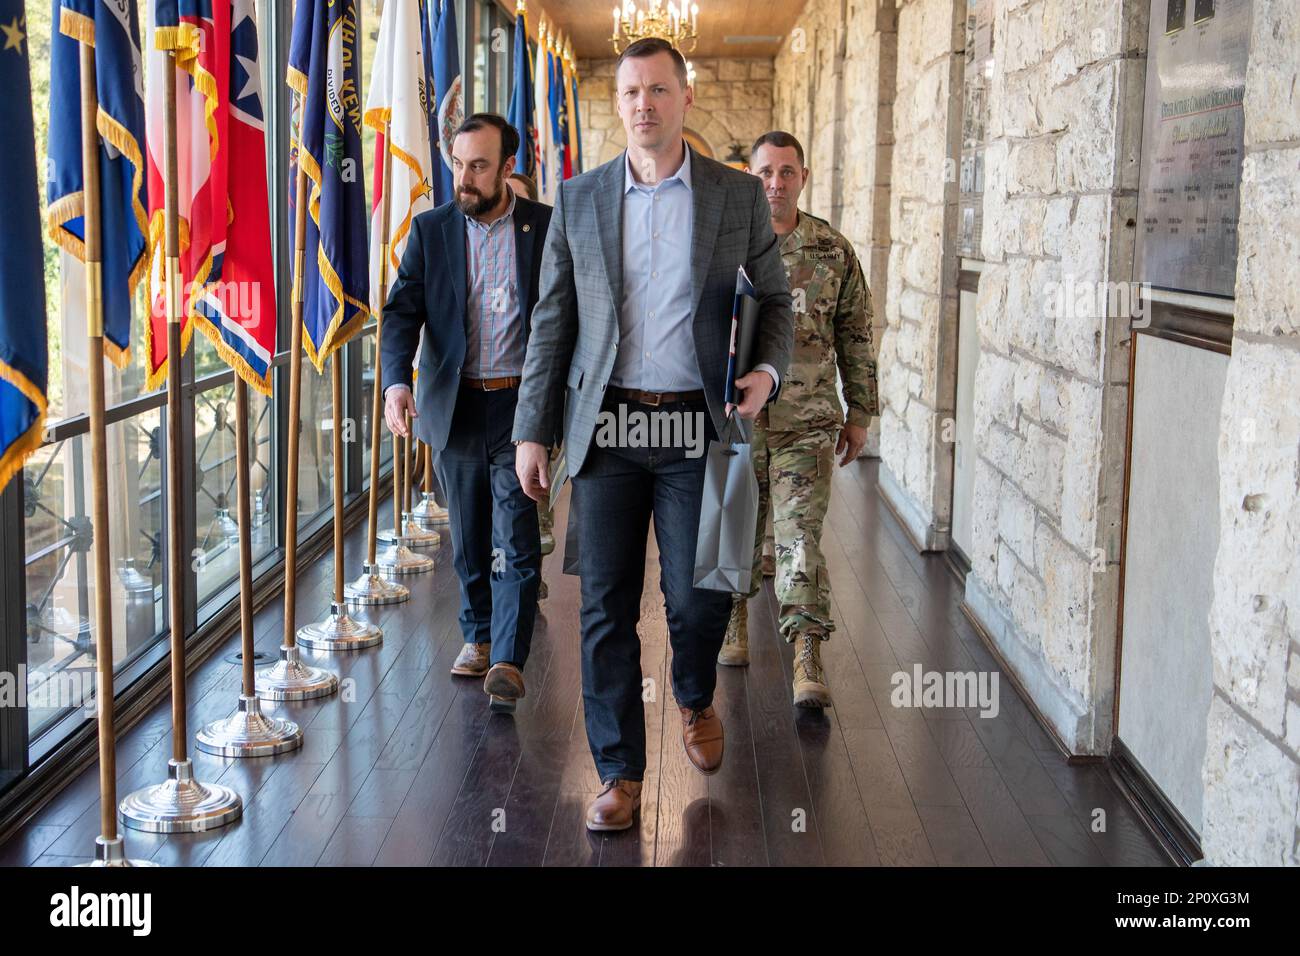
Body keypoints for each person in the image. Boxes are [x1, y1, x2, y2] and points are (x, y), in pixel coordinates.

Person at [512, 37, 794, 831]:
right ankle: (619, 772)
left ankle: (695, 692)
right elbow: (551, 321)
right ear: (619, 103)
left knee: (701, 594)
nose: (644, 104)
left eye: (659, 90)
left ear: (685, 98)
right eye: (631, 92)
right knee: (602, 604)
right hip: (605, 425)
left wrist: (767, 376)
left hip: (698, 424)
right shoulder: (580, 198)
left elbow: (774, 300)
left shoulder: (736, 198)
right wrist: (534, 428)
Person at [381, 113, 553, 714]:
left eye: (478, 165)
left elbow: (567, 316)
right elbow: (402, 313)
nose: (464, 176)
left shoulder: (545, 228)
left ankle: (506, 656)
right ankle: (477, 632)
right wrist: (395, 382)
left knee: (516, 528)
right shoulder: (430, 232)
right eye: (457, 163)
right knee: (470, 534)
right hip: (454, 405)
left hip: (522, 406)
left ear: (508, 167)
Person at [720, 131, 879, 709]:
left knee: (797, 535)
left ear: (803, 178)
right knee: (735, 526)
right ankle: (734, 616)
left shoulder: (832, 251)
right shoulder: (724, 245)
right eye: (765, 172)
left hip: (805, 421)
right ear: (750, 176)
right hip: (736, 420)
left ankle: (807, 648)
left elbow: (856, 334)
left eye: (787, 172)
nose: (776, 184)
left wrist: (860, 411)